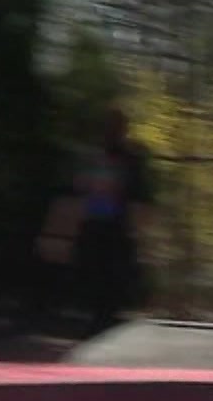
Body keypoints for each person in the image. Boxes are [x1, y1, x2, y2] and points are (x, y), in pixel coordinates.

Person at [37, 106, 155, 334]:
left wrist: (140, 230)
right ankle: (93, 314)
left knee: (111, 273)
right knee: (92, 271)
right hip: (93, 224)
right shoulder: (90, 157)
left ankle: (105, 314)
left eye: (117, 127)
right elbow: (72, 191)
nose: (112, 131)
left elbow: (139, 195)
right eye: (109, 126)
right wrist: (59, 228)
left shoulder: (130, 158)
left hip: (115, 226)